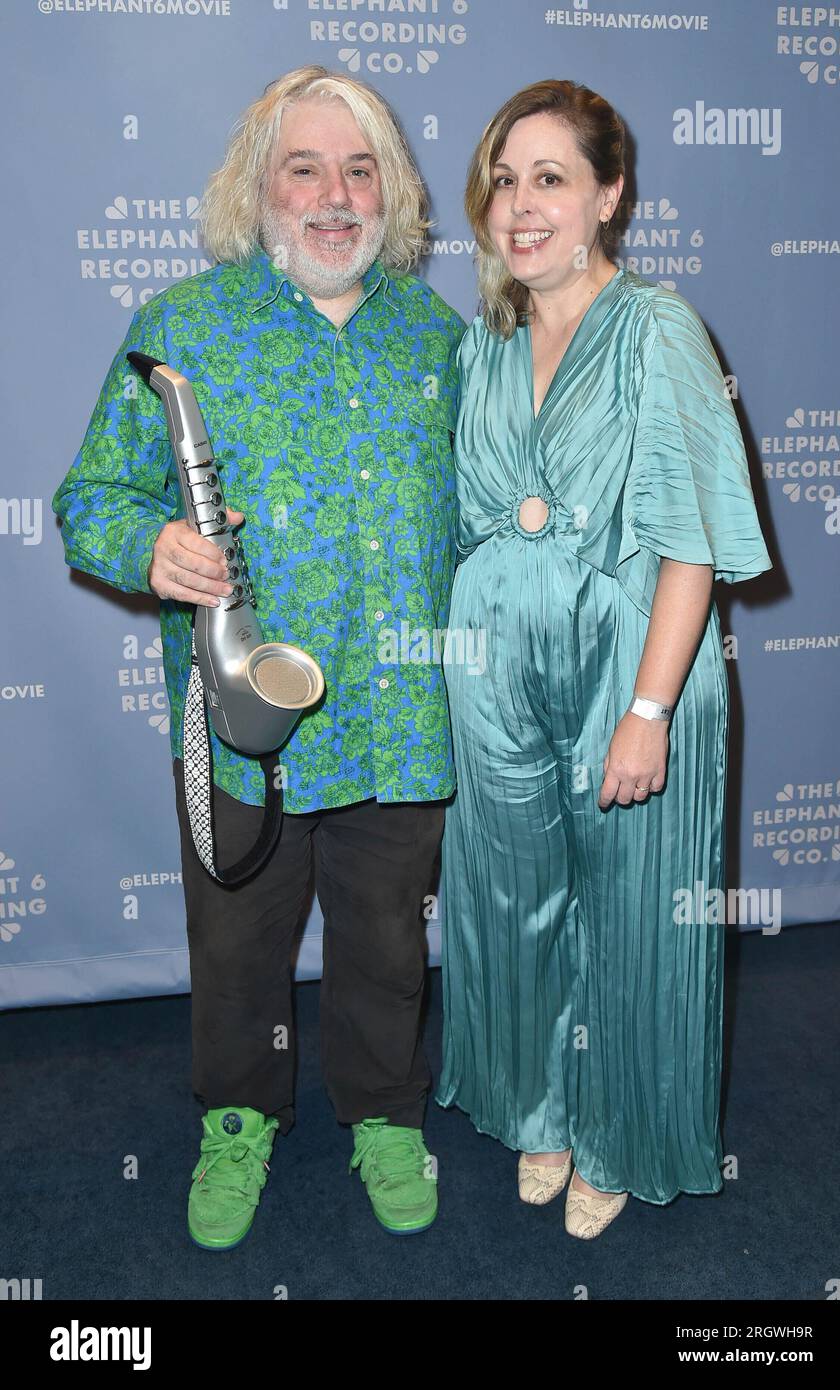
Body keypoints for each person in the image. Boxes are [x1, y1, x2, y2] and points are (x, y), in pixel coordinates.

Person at [52, 66, 466, 1248]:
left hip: (399, 721)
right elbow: (90, 497)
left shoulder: (435, 338)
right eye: (305, 167)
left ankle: (383, 1113)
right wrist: (154, 545)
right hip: (245, 731)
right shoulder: (185, 325)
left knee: (388, 941)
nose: (334, 195)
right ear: (260, 186)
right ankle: (236, 1118)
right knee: (235, 945)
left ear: (390, 191)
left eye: (359, 168)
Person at [435, 79, 773, 1238]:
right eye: (504, 181)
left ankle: (622, 1132)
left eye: (550, 179)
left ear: (607, 195)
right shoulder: (480, 342)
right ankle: (540, 1106)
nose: (520, 207)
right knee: (512, 897)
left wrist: (646, 708)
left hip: (628, 666)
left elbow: (690, 541)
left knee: (636, 914)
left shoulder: (659, 329)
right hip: (494, 675)